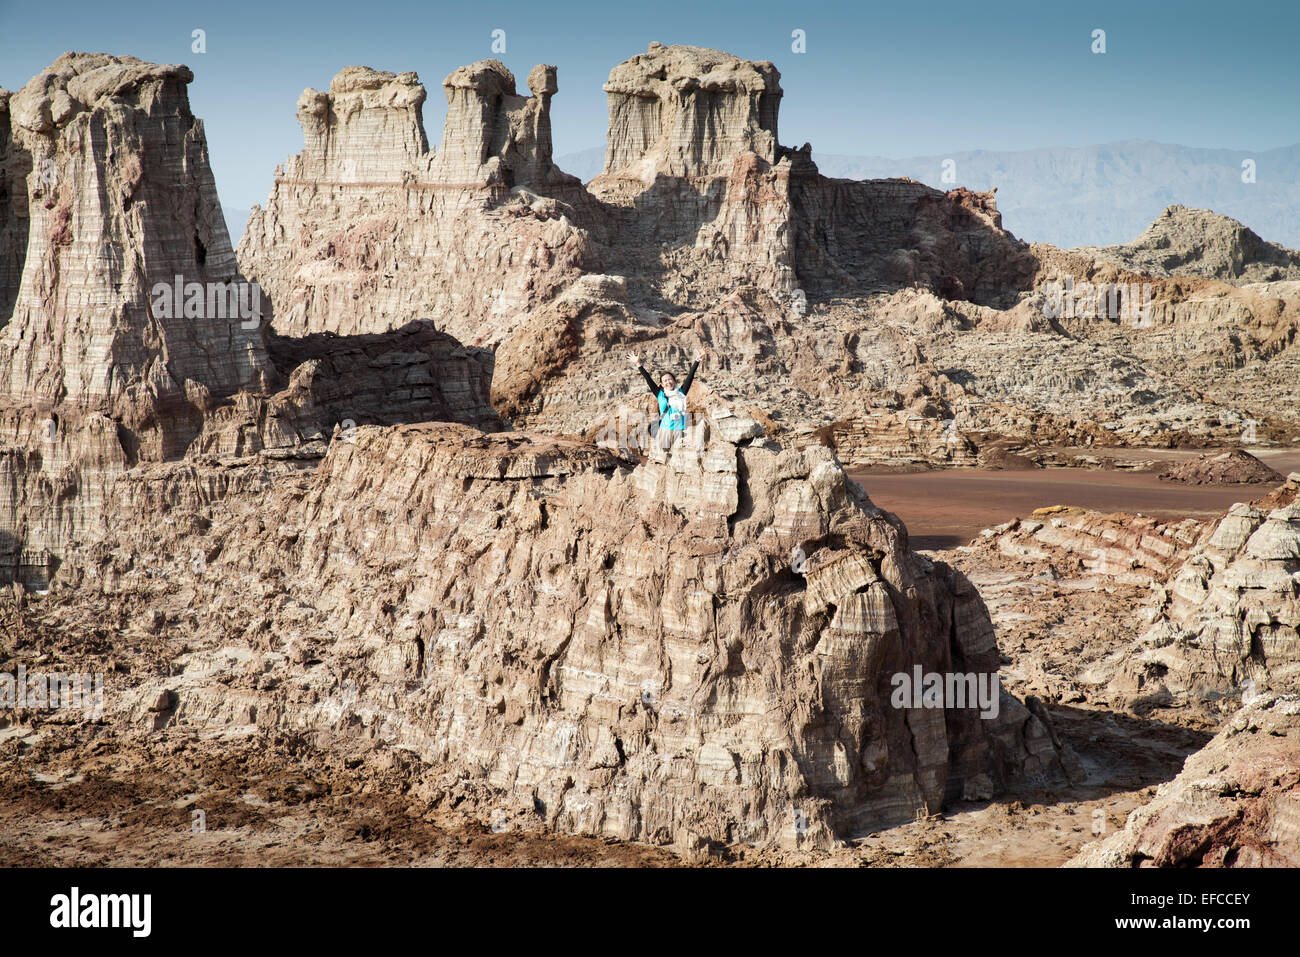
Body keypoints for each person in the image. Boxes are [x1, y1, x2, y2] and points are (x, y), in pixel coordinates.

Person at [625, 348, 705, 449]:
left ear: (674, 381)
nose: (668, 382)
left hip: (679, 430)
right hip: (664, 431)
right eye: (665, 381)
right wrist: (638, 364)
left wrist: (697, 360)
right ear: (662, 384)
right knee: (665, 454)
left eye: (670, 379)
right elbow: (648, 378)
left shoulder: (681, 392)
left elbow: (690, 375)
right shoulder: (660, 395)